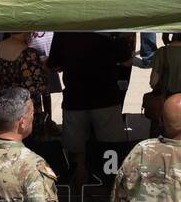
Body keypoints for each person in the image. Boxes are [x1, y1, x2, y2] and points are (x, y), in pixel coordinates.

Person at [48, 32, 134, 190]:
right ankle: (110, 186)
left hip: (75, 98)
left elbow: (54, 64)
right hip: (106, 97)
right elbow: (127, 61)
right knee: (111, 148)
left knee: (76, 150)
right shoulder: (109, 28)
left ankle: (78, 187)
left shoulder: (64, 31)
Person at [0, 32, 56, 138]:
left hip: (3, 105)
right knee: (30, 144)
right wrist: (43, 68)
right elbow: (38, 86)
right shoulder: (28, 53)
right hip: (24, 109)